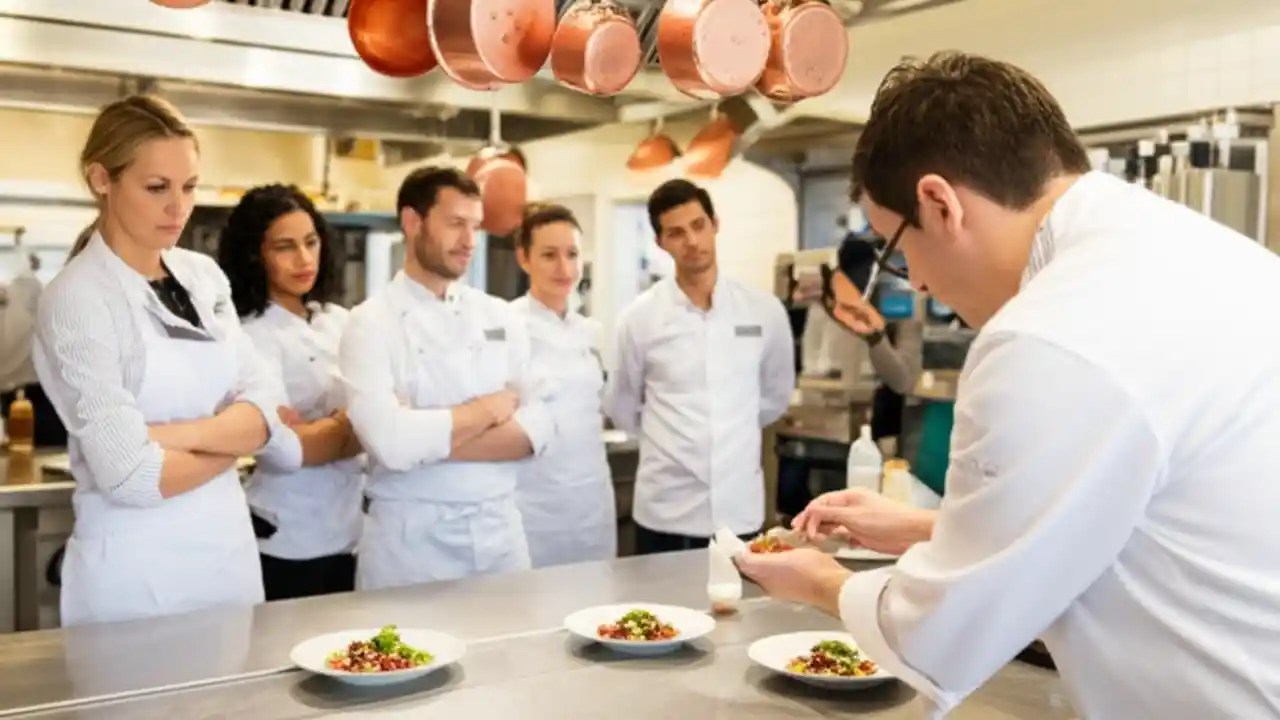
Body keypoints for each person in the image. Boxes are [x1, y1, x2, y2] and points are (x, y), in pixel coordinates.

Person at [736, 52, 1280, 719]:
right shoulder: (1192, 250)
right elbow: (1133, 516)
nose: (921, 282)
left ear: (939, 204)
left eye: (894, 247)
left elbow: (943, 636)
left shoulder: (1049, 332)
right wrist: (922, 528)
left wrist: (819, 580)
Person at [31, 95, 292, 626]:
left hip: (228, 565)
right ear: (101, 179)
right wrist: (233, 444)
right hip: (136, 584)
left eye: (189, 186)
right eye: (157, 188)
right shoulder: (77, 299)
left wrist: (168, 435)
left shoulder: (202, 275)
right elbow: (131, 477)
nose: (179, 207)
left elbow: (270, 410)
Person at [339, 166, 554, 591]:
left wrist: (426, 435)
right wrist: (487, 410)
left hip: (499, 535)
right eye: (456, 224)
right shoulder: (369, 323)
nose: (470, 241)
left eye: (475, 226)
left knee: (509, 655)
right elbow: (390, 443)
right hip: (410, 544)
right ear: (412, 222)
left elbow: (539, 430)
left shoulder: (499, 315)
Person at [604, 179, 795, 554]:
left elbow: (774, 396)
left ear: (714, 223)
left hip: (740, 511)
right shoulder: (639, 319)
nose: (691, 241)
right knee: (661, 613)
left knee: (742, 611)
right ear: (660, 242)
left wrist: (726, 428)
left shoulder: (763, 311)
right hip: (665, 510)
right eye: (676, 233)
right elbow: (622, 406)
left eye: (698, 225)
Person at [216, 183, 365, 601]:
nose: (304, 259)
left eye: (311, 242)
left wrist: (331, 429)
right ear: (254, 255)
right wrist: (361, 421)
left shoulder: (340, 321)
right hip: (287, 539)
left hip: (353, 533)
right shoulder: (248, 334)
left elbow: (391, 410)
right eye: (285, 247)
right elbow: (284, 448)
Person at [510, 203, 617, 568]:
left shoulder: (592, 332)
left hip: (591, 503)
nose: (564, 268)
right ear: (524, 258)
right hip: (533, 506)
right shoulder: (507, 328)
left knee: (597, 610)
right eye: (549, 255)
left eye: (572, 254)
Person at [1, 252, 68, 447]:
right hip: (42, 391)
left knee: (21, 449)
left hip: (20, 392)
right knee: (44, 449)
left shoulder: (12, 295)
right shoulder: (45, 294)